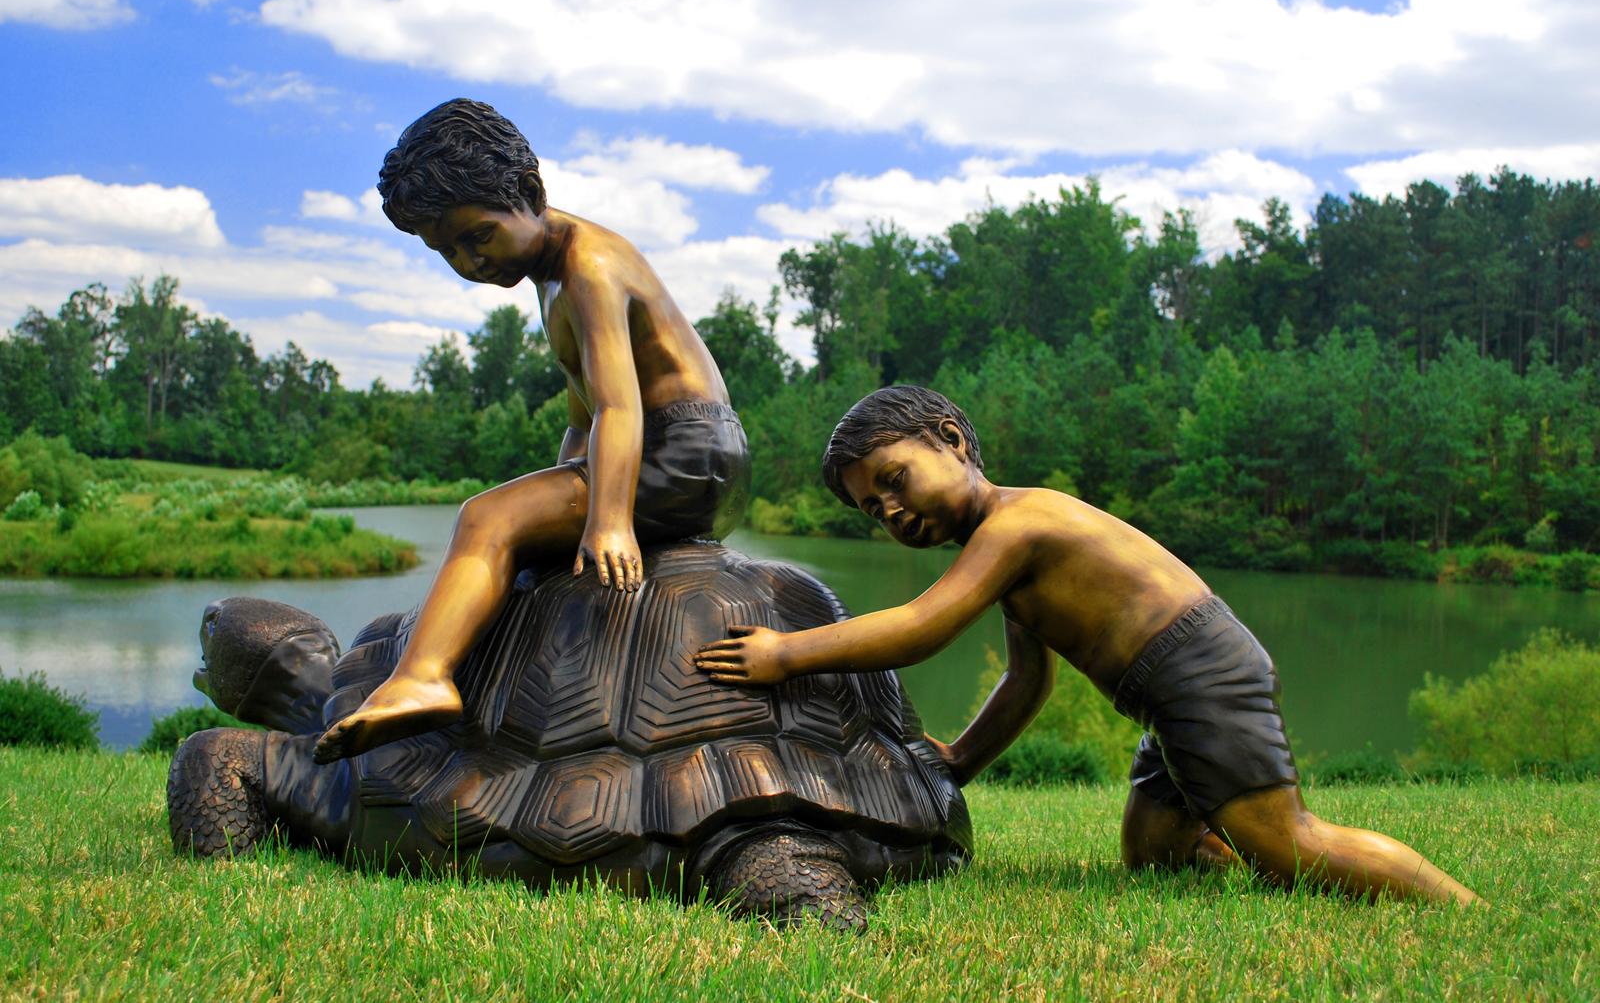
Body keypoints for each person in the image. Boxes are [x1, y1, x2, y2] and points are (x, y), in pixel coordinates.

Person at [695, 386, 1477, 906]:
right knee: (1154, 847)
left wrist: (790, 652)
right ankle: (1263, 867)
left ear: (952, 438)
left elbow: (926, 623)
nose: (893, 511)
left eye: (896, 479)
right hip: (1164, 697)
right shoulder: (1006, 552)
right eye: (874, 509)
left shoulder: (1018, 525)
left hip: (1198, 672)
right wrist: (961, 759)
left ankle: (1455, 907)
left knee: (1291, 837)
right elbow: (1026, 682)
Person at [314, 99, 749, 764]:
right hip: (679, 449)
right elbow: (583, 413)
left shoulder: (588, 267)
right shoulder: (548, 274)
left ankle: (422, 677)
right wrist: (558, 492)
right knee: (513, 522)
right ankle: (425, 671)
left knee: (486, 517)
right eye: (447, 250)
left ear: (530, 192)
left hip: (688, 452)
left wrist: (606, 520)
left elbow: (618, 407)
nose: (468, 260)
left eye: (477, 236)